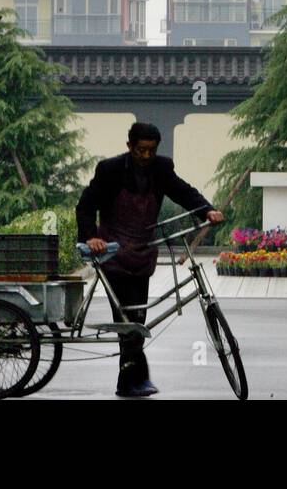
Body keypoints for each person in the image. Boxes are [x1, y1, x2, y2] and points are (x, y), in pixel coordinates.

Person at [76, 122, 223, 397]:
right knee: (128, 319)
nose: (145, 156)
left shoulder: (161, 169)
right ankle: (129, 381)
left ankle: (135, 379)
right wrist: (90, 237)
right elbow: (85, 205)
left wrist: (208, 210)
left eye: (151, 151)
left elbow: (184, 192)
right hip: (112, 251)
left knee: (138, 316)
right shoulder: (110, 170)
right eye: (140, 150)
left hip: (142, 252)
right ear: (130, 146)